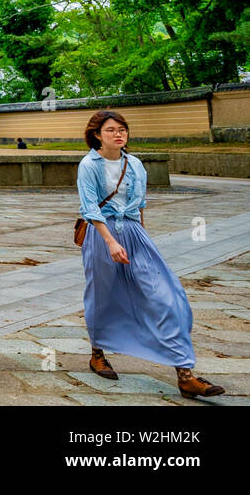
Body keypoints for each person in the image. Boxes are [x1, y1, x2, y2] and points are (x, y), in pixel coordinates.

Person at [77, 110, 223, 399]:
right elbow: (89, 208)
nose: (118, 134)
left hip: (134, 235)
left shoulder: (135, 164)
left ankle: (185, 375)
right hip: (100, 235)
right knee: (102, 294)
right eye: (111, 130)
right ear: (97, 134)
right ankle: (97, 354)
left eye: (122, 129)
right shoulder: (88, 164)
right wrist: (110, 242)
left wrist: (141, 238)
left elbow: (140, 203)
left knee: (169, 297)